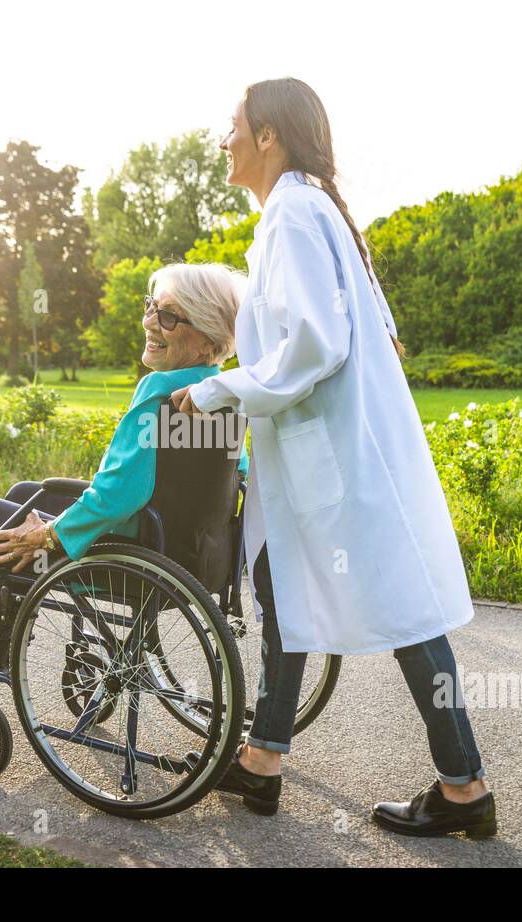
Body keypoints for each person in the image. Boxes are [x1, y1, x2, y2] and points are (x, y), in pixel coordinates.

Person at [172, 78, 496, 838]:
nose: (224, 142)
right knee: (283, 585)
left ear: (267, 138)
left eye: (233, 128)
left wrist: (217, 390)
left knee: (406, 614)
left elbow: (316, 343)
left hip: (336, 463)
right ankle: (262, 758)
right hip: (338, 454)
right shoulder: (308, 210)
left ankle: (464, 785)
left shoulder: (292, 213)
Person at [0, 263, 247, 700]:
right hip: (192, 555)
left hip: (127, 558)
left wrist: (52, 534)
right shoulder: (223, 396)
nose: (150, 322)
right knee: (25, 495)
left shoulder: (159, 393)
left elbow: (119, 495)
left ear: (208, 337)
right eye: (152, 307)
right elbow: (237, 474)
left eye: (169, 316)